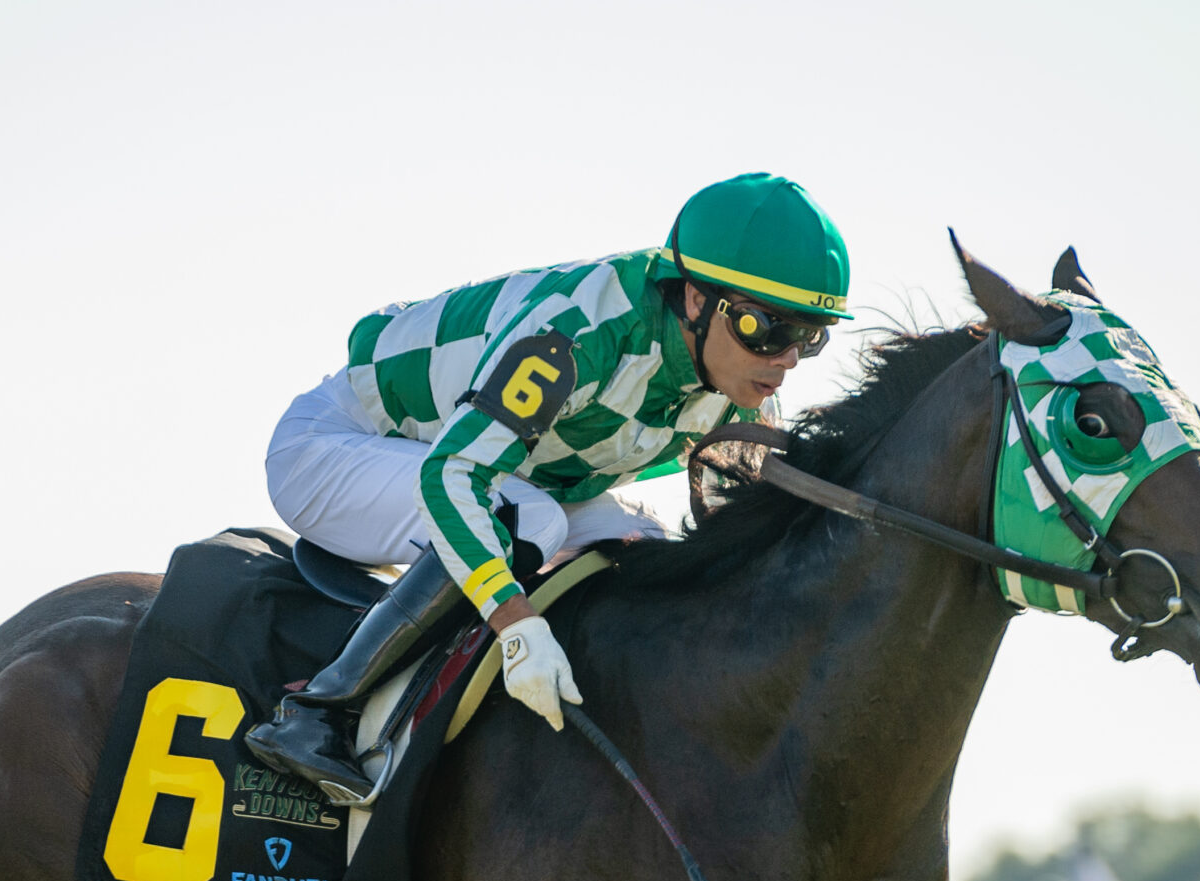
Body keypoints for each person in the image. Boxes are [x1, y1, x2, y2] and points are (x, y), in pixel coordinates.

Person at [243, 172, 850, 803]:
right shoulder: (575, 335)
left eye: (810, 337)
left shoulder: (740, 399)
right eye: (768, 330)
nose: (786, 361)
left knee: (644, 542)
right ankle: (320, 713)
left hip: (507, 469)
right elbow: (453, 478)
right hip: (335, 447)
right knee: (530, 521)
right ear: (696, 299)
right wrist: (518, 626)